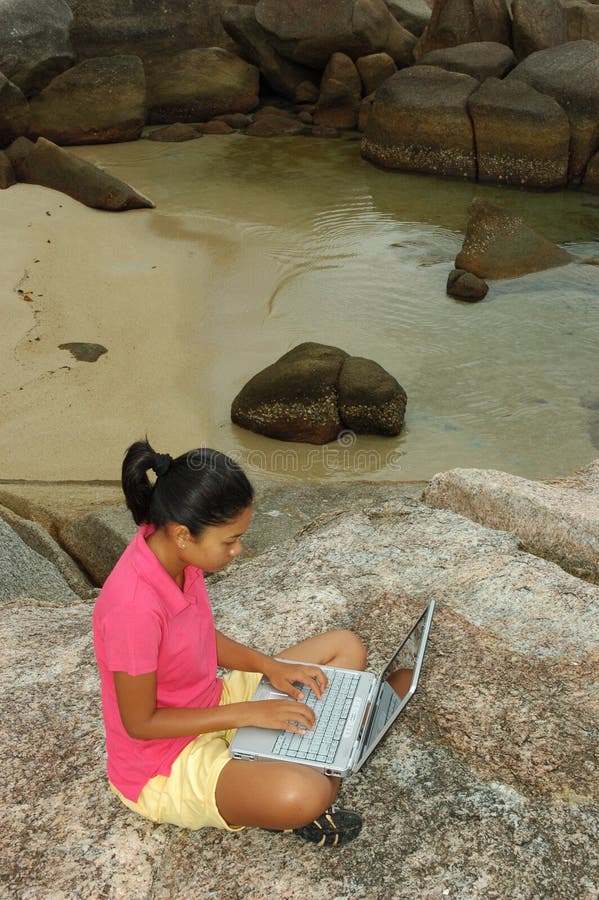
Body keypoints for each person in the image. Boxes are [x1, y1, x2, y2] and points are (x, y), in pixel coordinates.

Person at [93, 439, 367, 847]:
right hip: (164, 760)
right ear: (184, 534)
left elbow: (198, 636)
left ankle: (294, 757)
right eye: (230, 540)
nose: (239, 550)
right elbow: (141, 723)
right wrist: (249, 713)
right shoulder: (132, 609)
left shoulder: (177, 553)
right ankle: (306, 766)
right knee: (304, 795)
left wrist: (269, 666)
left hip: (210, 698)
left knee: (346, 647)